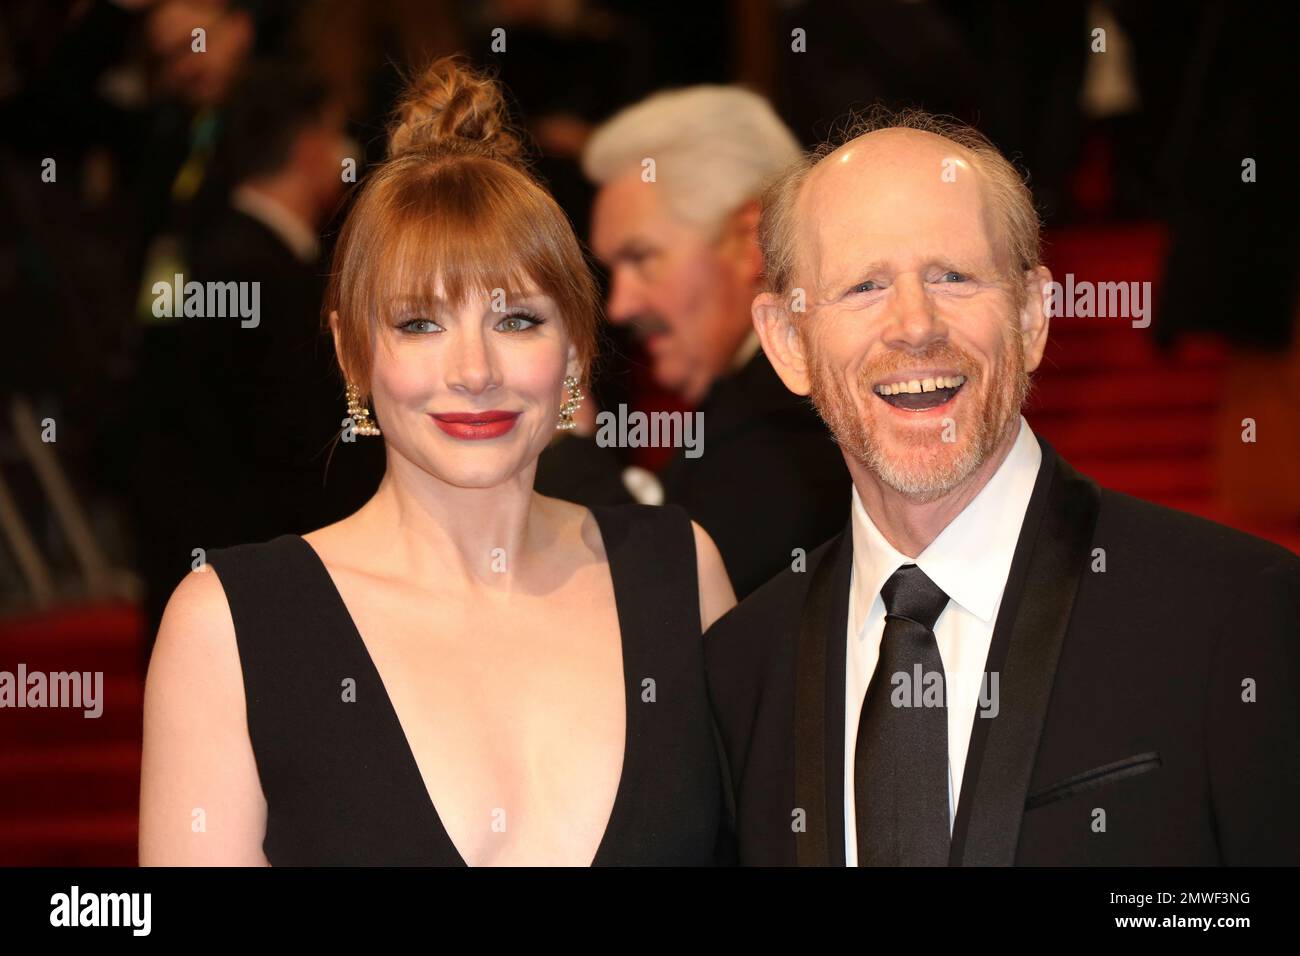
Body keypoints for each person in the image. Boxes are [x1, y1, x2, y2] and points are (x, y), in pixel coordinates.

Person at [139, 57, 736, 866]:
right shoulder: (231, 626)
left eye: (518, 319)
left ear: (576, 351)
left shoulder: (679, 575)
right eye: (420, 323)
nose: (474, 370)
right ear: (354, 354)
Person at [703, 107, 1300, 866]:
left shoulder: (1235, 611)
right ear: (789, 343)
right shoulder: (742, 667)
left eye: (953, 277)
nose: (914, 326)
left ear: (1031, 316)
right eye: (863, 286)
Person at [535, 85, 850, 598]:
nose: (619, 306)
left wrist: (564, 435)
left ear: (751, 242)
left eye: (641, 258)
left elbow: (654, 606)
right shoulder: (751, 400)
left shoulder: (803, 421)